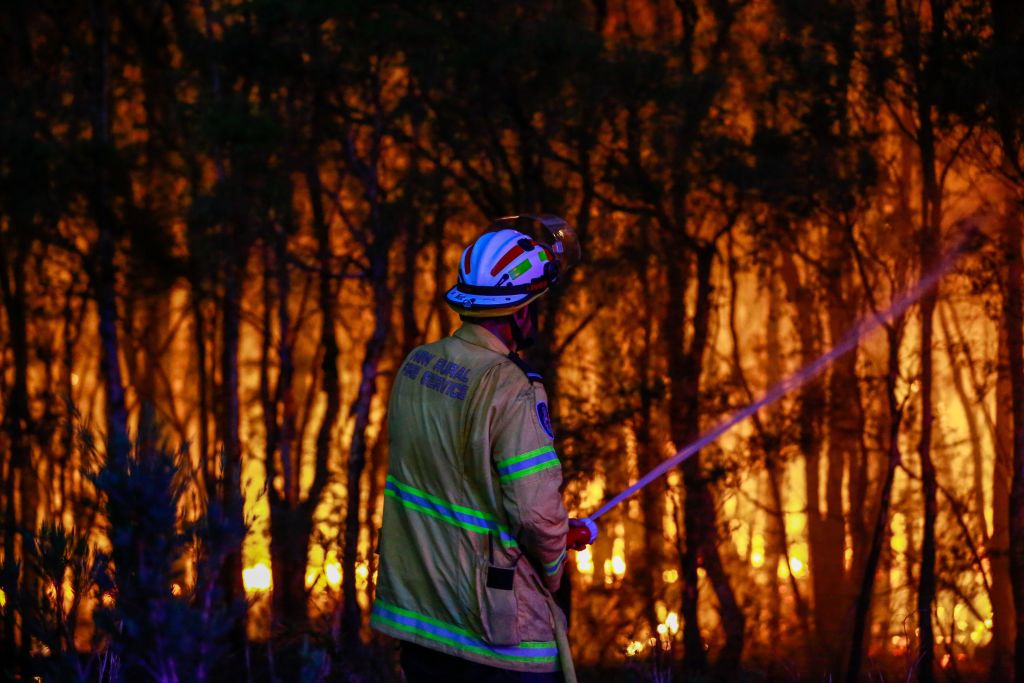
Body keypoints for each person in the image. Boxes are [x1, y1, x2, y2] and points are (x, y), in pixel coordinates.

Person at [371, 216, 597, 683]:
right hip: (497, 637)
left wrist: (552, 531)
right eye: (532, 305)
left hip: (421, 622)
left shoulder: (417, 367)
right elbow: (535, 512)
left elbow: (453, 492)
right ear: (518, 311)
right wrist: (554, 564)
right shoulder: (512, 386)